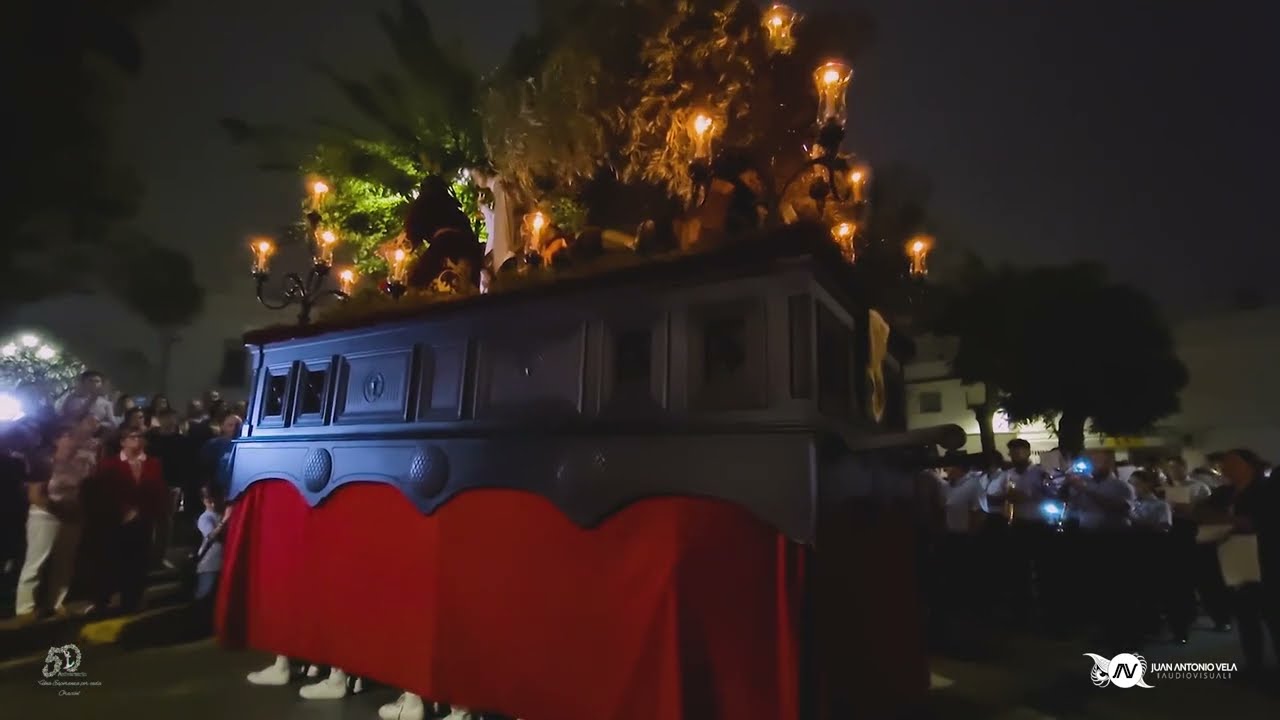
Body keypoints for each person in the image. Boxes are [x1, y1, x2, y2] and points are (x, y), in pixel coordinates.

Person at [1202, 448, 1279, 680]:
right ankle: (1254, 666)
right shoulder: (1224, 492)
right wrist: (1230, 521)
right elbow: (1200, 510)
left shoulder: (1267, 490)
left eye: (1232, 464)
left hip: (1266, 560)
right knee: (1245, 618)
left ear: (1248, 466)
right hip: (1233, 560)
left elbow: (1261, 521)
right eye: (1224, 464)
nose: (1226, 469)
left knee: (1273, 616)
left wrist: (1230, 521)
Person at [14, 415, 99, 619]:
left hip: (72, 515)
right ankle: (25, 608)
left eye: (74, 435)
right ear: (56, 439)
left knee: (65, 563)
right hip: (45, 515)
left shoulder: (83, 460)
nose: (72, 440)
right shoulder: (44, 461)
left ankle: (57, 602)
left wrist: (78, 511)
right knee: (37, 561)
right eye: (67, 436)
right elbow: (35, 495)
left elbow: (86, 488)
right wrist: (59, 510)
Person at [90, 428, 168, 614]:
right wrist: (123, 509)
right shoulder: (110, 464)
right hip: (116, 520)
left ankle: (133, 599)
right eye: (133, 437)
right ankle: (106, 598)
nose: (138, 440)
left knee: (139, 561)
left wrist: (147, 511)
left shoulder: (153, 463)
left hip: (143, 519)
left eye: (141, 437)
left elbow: (158, 490)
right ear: (122, 442)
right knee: (113, 560)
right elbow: (103, 491)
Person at [194, 484, 226, 601]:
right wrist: (225, 521)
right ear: (204, 501)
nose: (213, 504)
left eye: (215, 500)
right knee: (204, 595)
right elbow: (212, 535)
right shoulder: (205, 518)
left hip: (223, 563)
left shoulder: (222, 513)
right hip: (209, 564)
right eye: (209, 501)